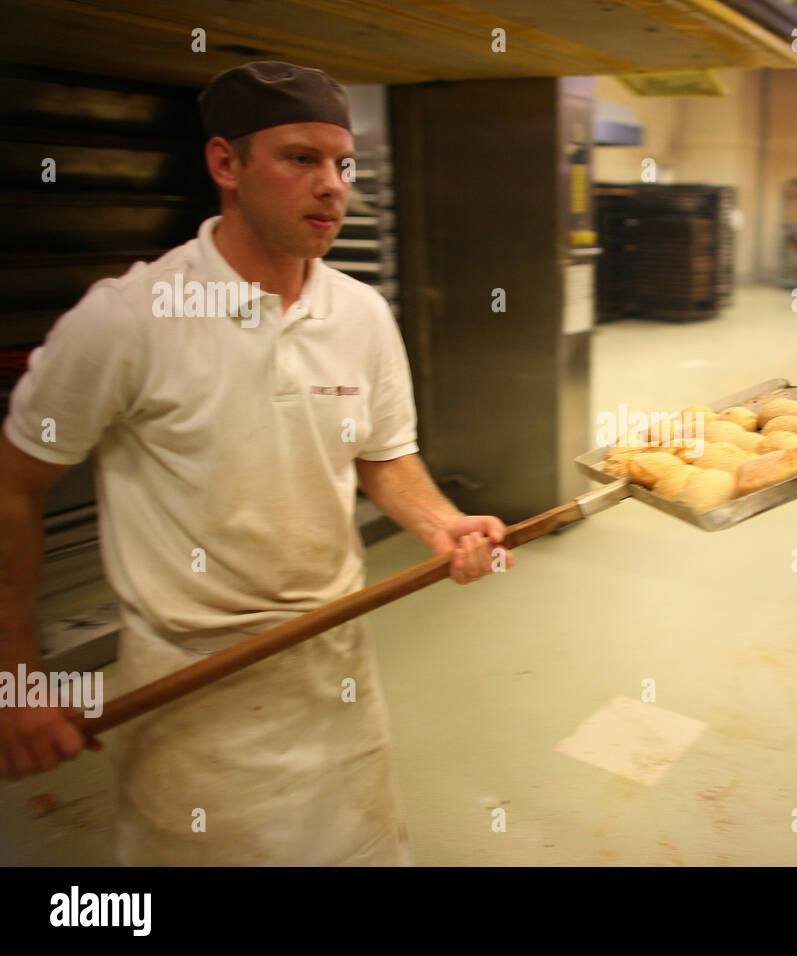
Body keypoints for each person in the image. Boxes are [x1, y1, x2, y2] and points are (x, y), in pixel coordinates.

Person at [0, 61, 512, 864]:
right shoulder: (130, 319)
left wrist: (441, 523)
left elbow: (384, 457)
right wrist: (19, 681)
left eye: (343, 164)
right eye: (300, 158)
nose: (332, 185)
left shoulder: (360, 314)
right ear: (225, 164)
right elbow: (13, 489)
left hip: (334, 665)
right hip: (192, 690)